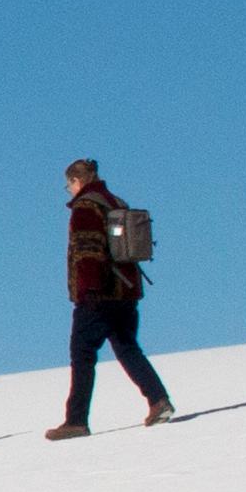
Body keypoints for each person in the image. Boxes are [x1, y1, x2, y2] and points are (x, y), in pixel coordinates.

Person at [47, 156, 172, 438]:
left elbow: (88, 250)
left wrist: (88, 290)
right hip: (127, 292)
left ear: (77, 181)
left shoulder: (85, 207)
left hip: (98, 296)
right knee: (128, 348)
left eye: (68, 185)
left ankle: (76, 420)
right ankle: (158, 400)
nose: (69, 191)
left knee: (82, 354)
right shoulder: (116, 202)